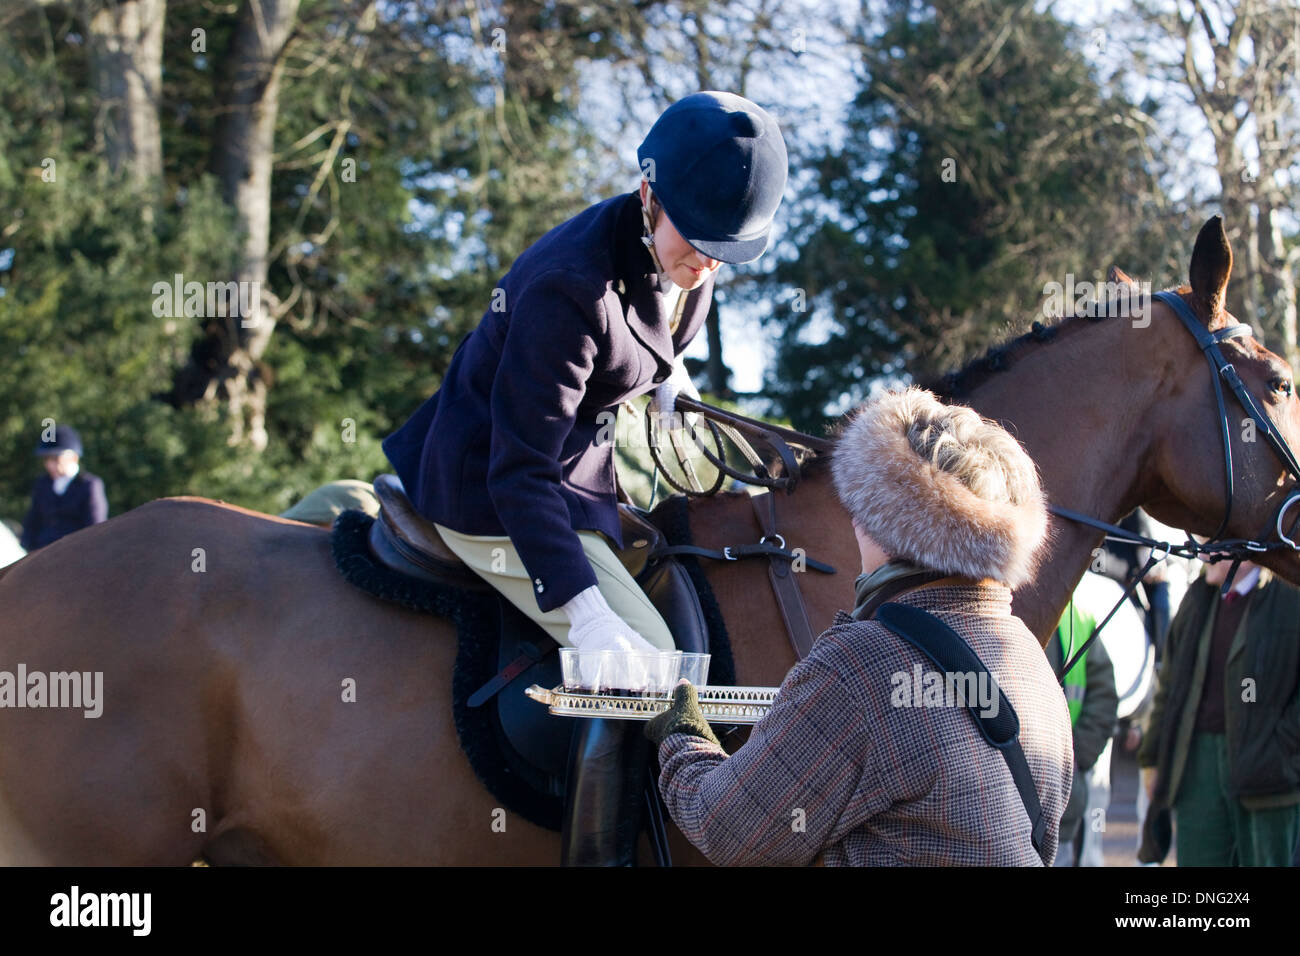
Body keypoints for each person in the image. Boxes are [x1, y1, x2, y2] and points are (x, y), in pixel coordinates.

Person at [380, 91, 789, 865]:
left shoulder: (686, 251)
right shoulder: (568, 289)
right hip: (489, 487)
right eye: (698, 244)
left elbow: (667, 310)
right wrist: (585, 612)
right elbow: (519, 472)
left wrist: (672, 374)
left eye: (725, 254)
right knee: (642, 659)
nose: (706, 266)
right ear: (647, 194)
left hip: (577, 473)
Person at [645, 387, 1073, 865]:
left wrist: (682, 734)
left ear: (883, 520)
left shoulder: (861, 664)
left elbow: (727, 831)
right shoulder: (1031, 658)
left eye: (861, 507)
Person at [1138, 559, 1300, 866]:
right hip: (1198, 764)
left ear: (1246, 553)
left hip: (1271, 776)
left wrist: (1283, 750)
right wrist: (1152, 757)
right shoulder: (1199, 596)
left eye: (1214, 542)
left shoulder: (1291, 593)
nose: (1201, 554)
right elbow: (1169, 688)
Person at [1046, 585, 1118, 866]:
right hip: (1008, 812)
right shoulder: (1004, 611)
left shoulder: (1079, 618)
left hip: (1060, 810)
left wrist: (1074, 759)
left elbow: (1104, 696)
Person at [20, 425, 108, 551]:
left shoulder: (89, 485)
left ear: (74, 457)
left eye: (56, 459)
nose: (50, 465)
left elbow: (95, 527)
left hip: (75, 553)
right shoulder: (42, 484)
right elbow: (32, 522)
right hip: (41, 554)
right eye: (47, 460)